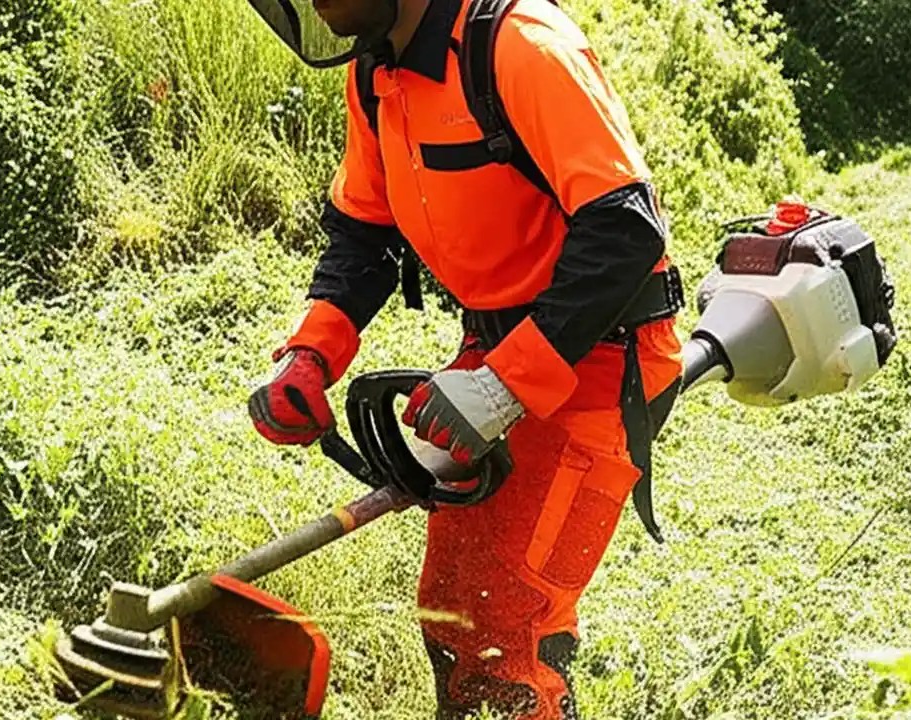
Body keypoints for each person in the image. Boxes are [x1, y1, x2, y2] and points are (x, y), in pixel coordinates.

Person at [247, 0, 684, 717]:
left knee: (503, 624)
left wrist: (507, 384)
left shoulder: (520, 46)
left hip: (604, 358)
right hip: (495, 343)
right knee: (457, 604)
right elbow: (364, 234)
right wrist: (310, 352)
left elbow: (625, 230)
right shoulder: (376, 73)